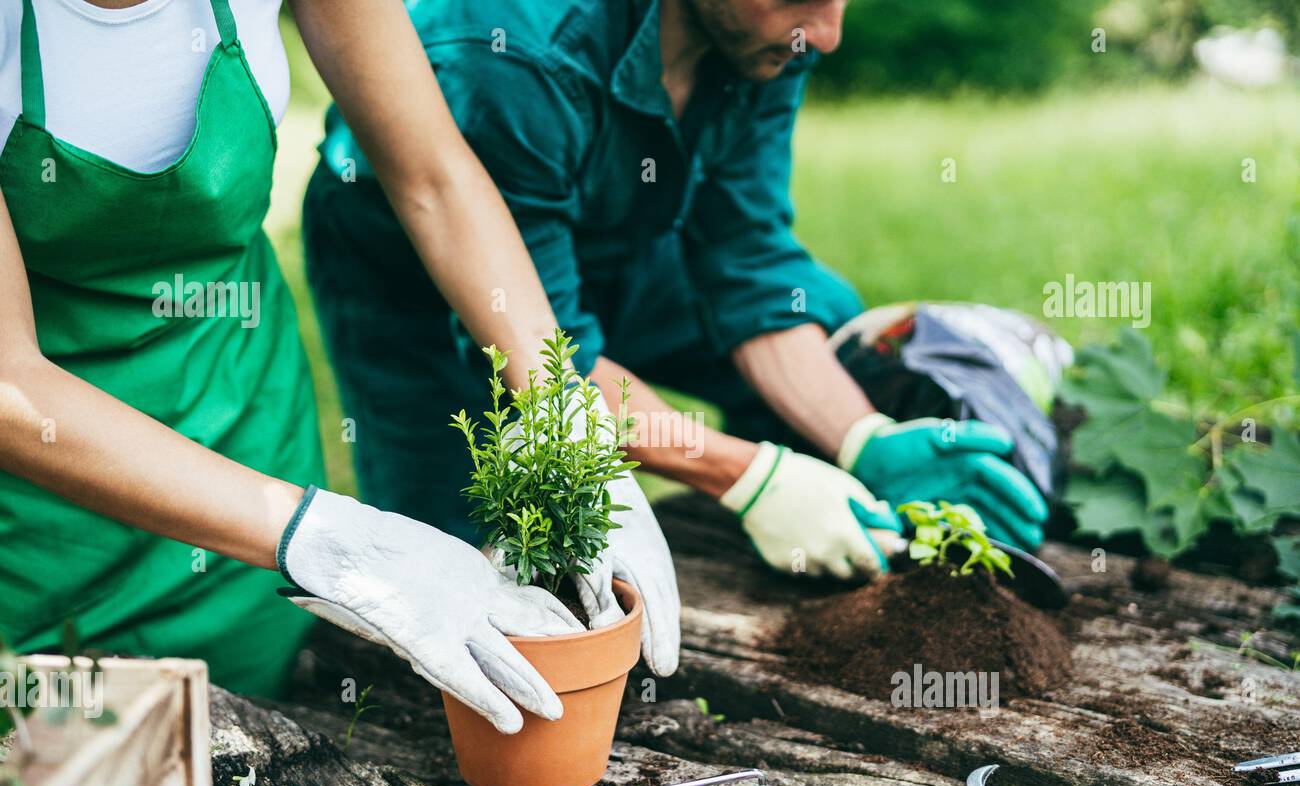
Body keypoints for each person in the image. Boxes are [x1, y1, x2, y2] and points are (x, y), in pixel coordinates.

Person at [0, 0, 679, 734]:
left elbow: (433, 175)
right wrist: (321, 537)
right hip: (42, 541)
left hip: (246, 469)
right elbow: (11, 379)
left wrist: (560, 415)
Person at [303, 0, 1049, 587]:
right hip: (418, 281)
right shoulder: (516, 57)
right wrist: (747, 478)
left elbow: (746, 255)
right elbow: (548, 364)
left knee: (822, 324)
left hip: (625, 221)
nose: (825, 35)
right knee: (467, 553)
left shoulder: (767, 36)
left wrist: (864, 437)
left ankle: (813, 528)